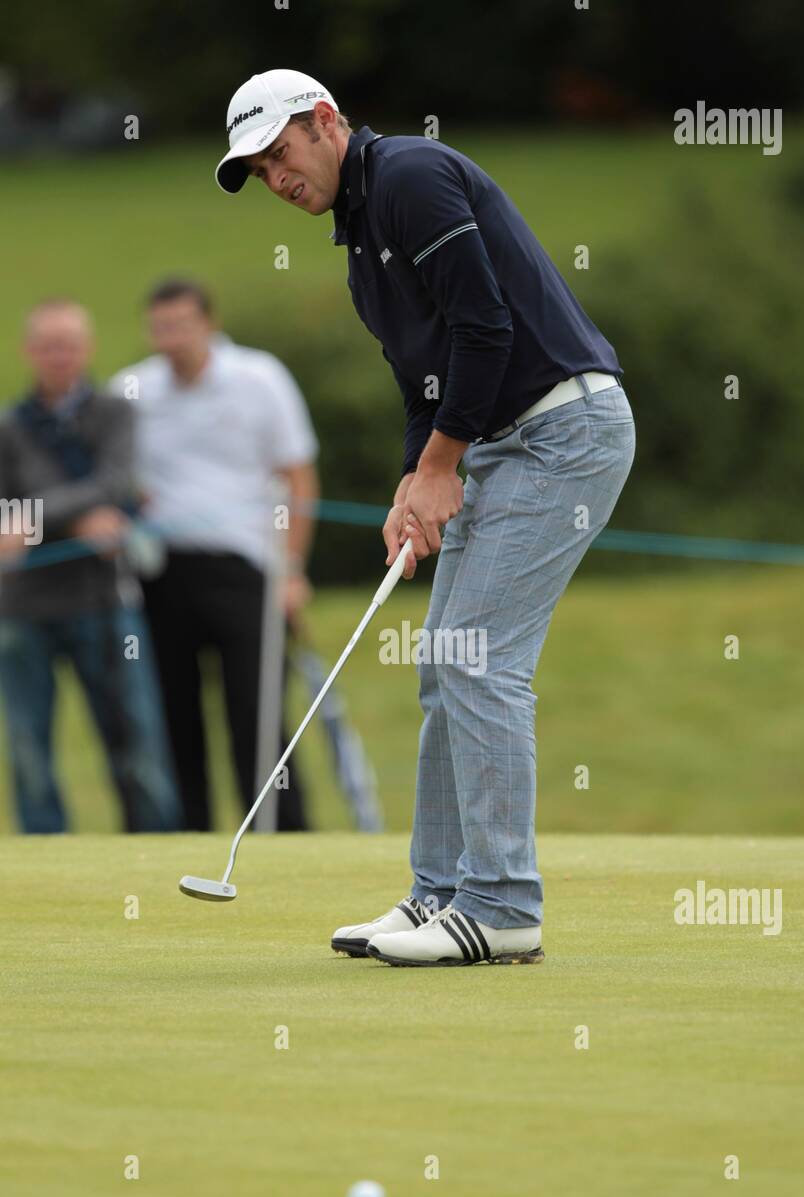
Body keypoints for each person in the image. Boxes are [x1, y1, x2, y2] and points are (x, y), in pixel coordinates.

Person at [214, 70, 635, 965]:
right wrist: (416, 479)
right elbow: (426, 380)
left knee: (478, 662)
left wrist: (446, 465)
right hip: (505, 444)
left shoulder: (408, 175)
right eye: (258, 173)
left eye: (280, 155)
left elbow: (484, 326)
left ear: (326, 122)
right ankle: (440, 893)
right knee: (445, 665)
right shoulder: (362, 242)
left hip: (567, 432)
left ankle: (502, 905)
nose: (277, 180)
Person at [111, 279, 319, 832]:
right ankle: (186, 833)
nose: (171, 338)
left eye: (181, 325)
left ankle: (283, 833)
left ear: (208, 323)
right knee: (174, 714)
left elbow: (298, 476)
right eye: (160, 328)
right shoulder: (132, 389)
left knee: (257, 712)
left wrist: (292, 570)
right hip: (159, 572)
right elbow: (109, 473)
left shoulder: (259, 377)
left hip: (245, 567)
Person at [0, 300, 181, 833]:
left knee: (136, 744)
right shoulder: (9, 427)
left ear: (87, 349)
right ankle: (44, 855)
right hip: (23, 607)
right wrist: (80, 519)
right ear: (30, 351)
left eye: (70, 345)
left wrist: (38, 517)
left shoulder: (114, 411)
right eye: (49, 345)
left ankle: (155, 849)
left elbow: (113, 484)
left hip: (102, 600)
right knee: (29, 749)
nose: (61, 356)